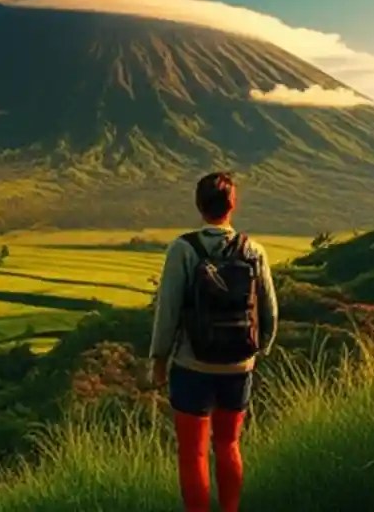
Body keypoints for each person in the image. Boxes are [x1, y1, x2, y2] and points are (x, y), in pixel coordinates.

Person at [147, 171, 279, 512]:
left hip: (193, 365)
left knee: (193, 454)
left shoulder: (183, 249)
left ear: (199, 205)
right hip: (238, 367)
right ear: (233, 204)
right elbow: (270, 312)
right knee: (229, 444)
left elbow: (168, 311)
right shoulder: (254, 250)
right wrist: (257, 351)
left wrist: (159, 359)